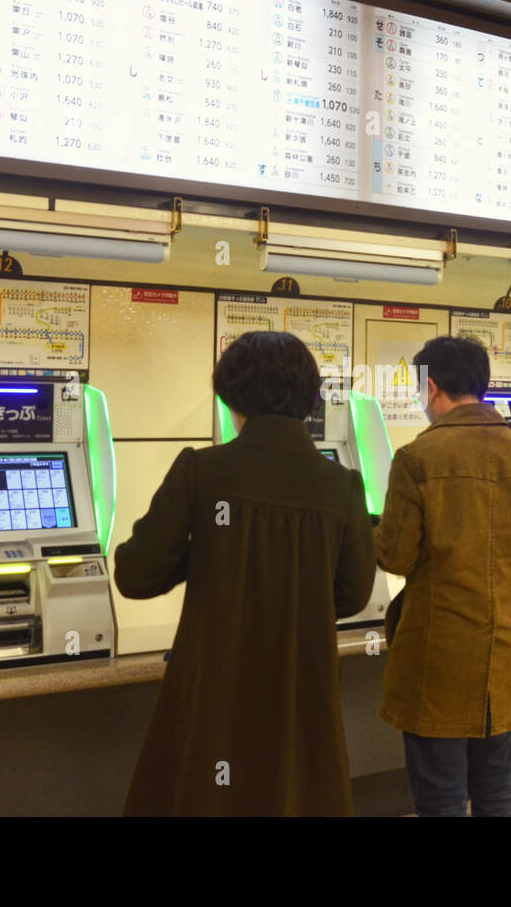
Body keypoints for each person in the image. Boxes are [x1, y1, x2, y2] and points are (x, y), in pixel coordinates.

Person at [114, 330, 375, 816]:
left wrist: (208, 555)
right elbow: (354, 592)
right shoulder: (342, 485)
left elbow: (135, 575)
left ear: (232, 393)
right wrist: (297, 593)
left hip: (213, 682)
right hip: (303, 685)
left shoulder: (202, 471)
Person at [374, 335, 511, 817]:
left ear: (431, 388)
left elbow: (395, 556)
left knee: (441, 796)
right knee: (497, 788)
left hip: (439, 661)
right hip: (504, 657)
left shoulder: (417, 459)